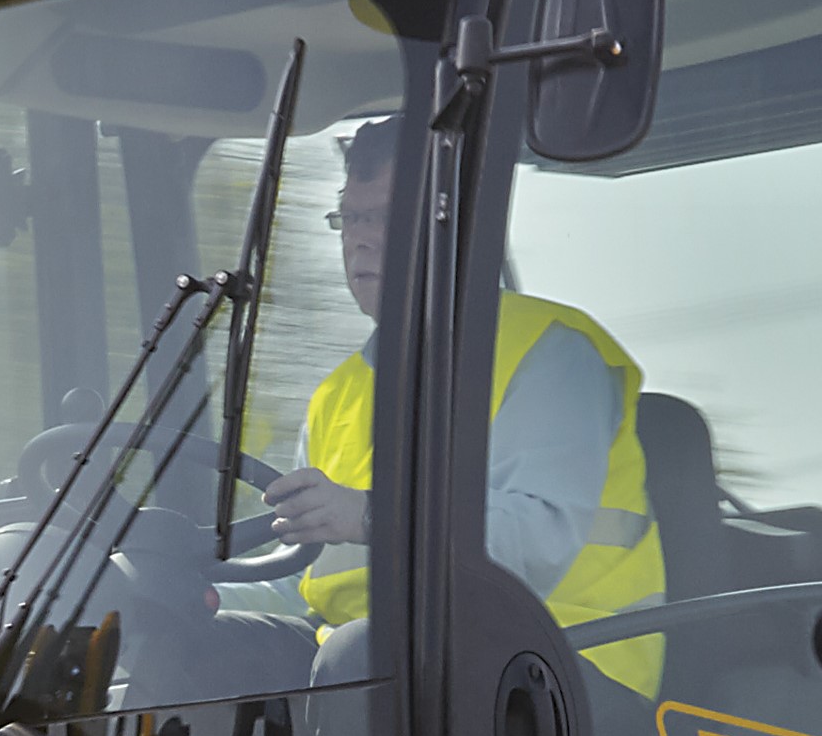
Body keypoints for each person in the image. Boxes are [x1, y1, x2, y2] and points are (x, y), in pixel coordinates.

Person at [259, 122, 666, 690]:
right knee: (212, 648)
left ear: (450, 224)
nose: (361, 239)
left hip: (566, 672)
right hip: (389, 672)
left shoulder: (547, 353)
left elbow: (535, 545)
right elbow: (298, 577)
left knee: (362, 662)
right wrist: (195, 588)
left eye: (385, 217)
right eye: (351, 218)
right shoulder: (337, 396)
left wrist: (375, 516)